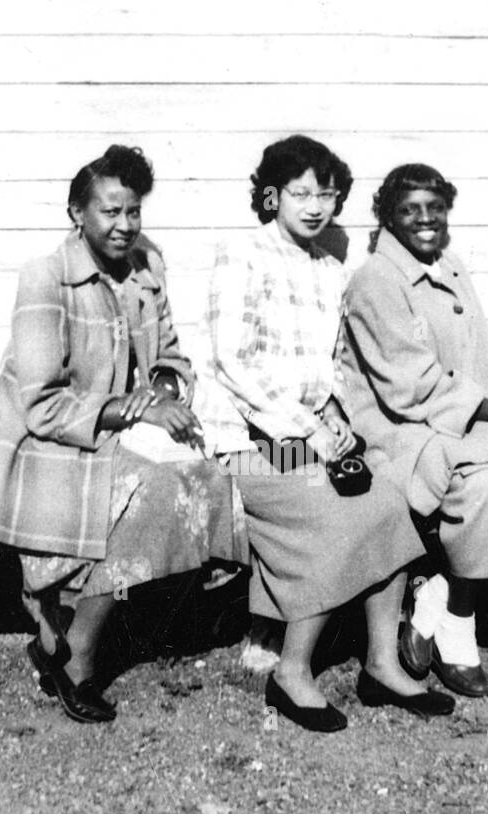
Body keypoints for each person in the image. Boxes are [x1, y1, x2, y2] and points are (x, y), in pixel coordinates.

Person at [194, 135, 452, 733]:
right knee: (329, 509)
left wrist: (335, 420)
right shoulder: (242, 255)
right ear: (272, 195)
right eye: (300, 192)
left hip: (309, 434)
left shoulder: (330, 271)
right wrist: (308, 430)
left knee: (388, 497)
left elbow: (332, 367)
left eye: (327, 194)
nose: (315, 205)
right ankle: (291, 673)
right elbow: (235, 364)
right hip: (246, 441)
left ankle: (383, 664)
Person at [0, 144, 243, 725]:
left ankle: (59, 633)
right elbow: (40, 404)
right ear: (77, 213)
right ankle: (76, 656)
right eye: (110, 212)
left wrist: (165, 394)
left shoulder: (147, 265)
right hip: (52, 441)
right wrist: (130, 411)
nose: (125, 226)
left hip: (124, 430)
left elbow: (171, 355)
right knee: (149, 494)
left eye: (134, 212)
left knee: (205, 475)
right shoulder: (47, 279)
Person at [339, 163, 488, 697]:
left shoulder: (452, 267)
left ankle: (437, 600)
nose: (425, 220)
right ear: (387, 219)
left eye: (435, 209)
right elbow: (407, 387)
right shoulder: (376, 280)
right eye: (409, 210)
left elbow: (479, 361)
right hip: (398, 430)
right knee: (485, 484)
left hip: (455, 420)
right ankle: (459, 631)